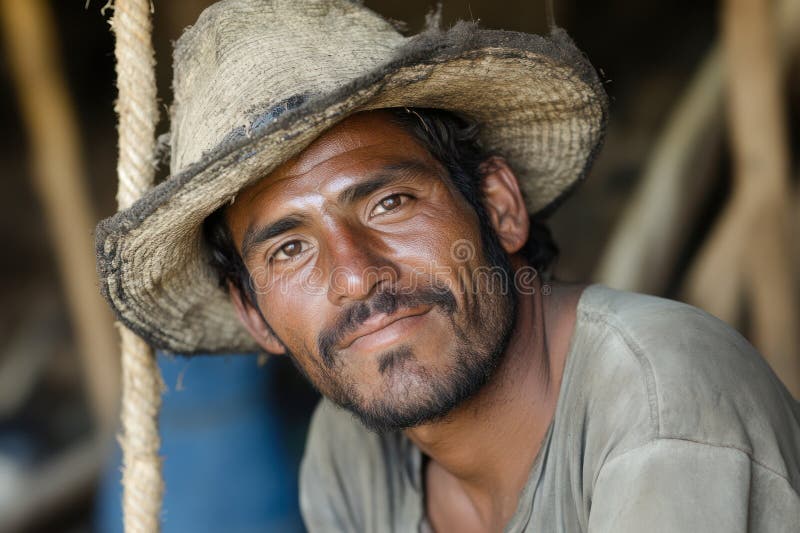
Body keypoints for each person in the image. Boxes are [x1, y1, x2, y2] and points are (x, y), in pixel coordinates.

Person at [95, 0, 800, 531]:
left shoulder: (663, 405)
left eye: (390, 202)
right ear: (256, 315)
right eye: (290, 248)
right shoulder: (353, 451)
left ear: (498, 206)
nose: (355, 274)